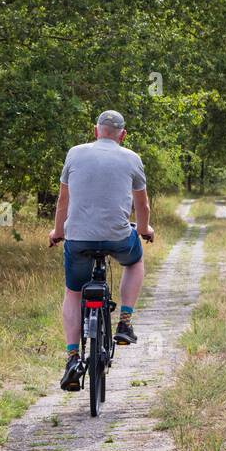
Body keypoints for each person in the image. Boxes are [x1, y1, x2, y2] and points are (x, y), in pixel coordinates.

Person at [48, 110, 154, 391]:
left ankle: (72, 357)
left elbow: (63, 201)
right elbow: (142, 206)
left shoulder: (74, 153)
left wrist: (58, 232)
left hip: (78, 238)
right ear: (123, 134)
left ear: (96, 131)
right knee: (134, 261)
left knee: (73, 292)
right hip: (117, 237)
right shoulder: (132, 158)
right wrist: (144, 229)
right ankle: (125, 322)